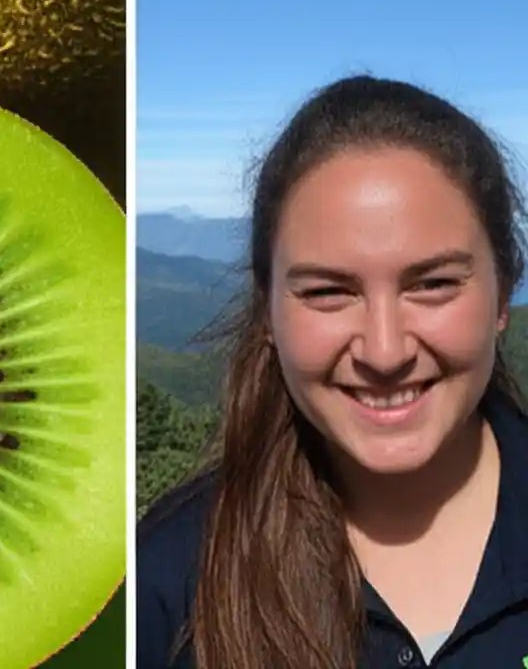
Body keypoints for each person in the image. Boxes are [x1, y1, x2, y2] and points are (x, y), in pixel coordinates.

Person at [136, 75, 528, 668]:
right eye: (327, 292)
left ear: (503, 296)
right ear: (267, 312)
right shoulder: (168, 582)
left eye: (433, 284)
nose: (385, 351)